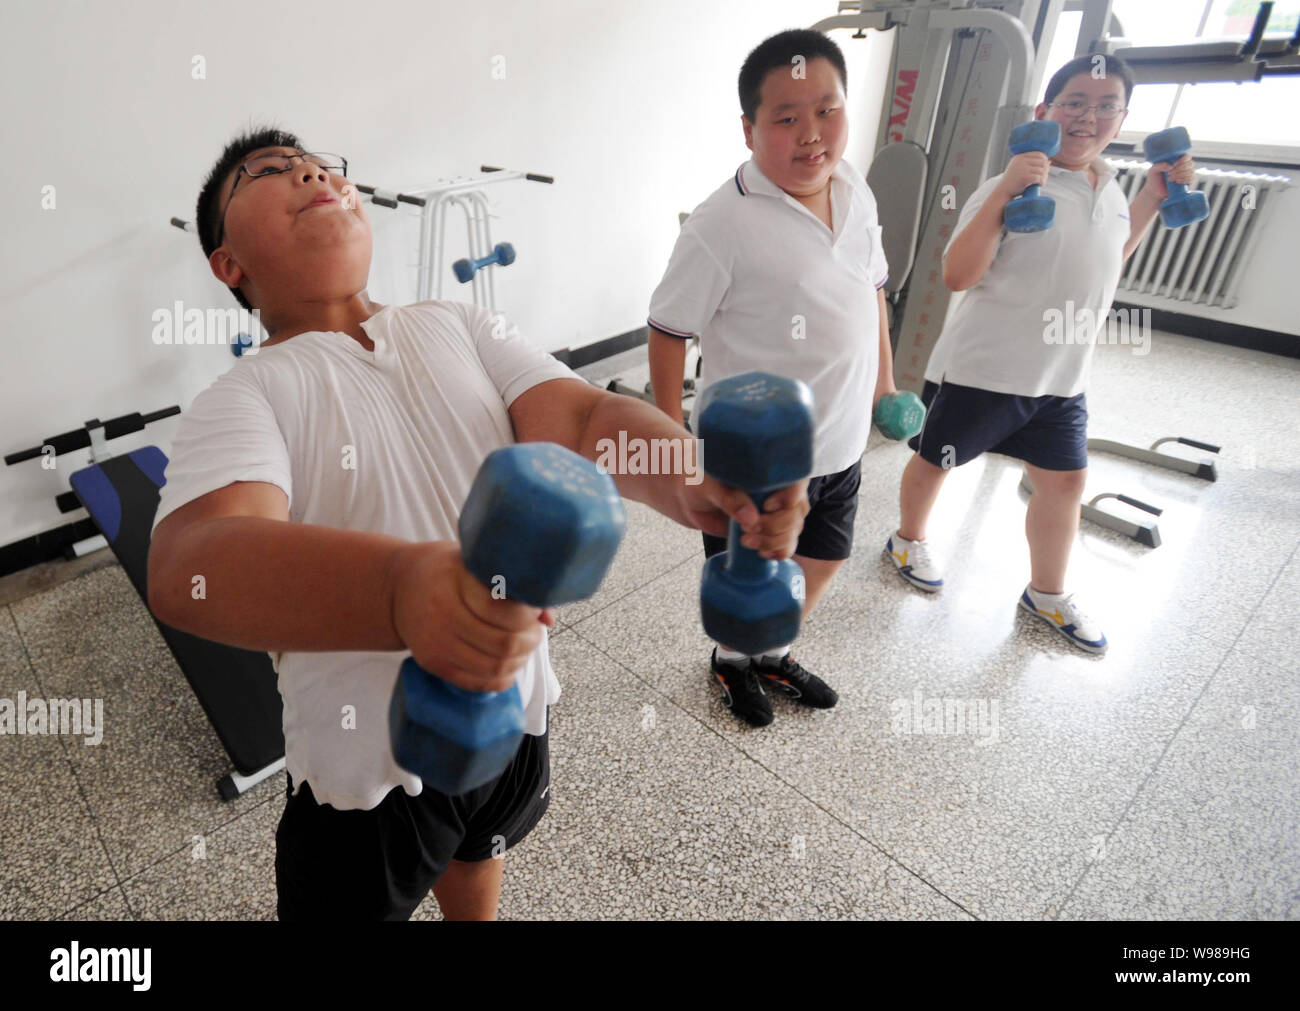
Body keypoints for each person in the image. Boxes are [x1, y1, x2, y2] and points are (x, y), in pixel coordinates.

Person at [146, 128, 810, 920]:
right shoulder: (248, 393)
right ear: (230, 264)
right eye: (270, 172)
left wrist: (691, 475)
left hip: (512, 708)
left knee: (479, 853)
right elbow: (194, 562)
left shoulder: (455, 322)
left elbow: (582, 416)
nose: (313, 172)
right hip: (370, 773)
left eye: (322, 164)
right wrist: (403, 592)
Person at [887, 55, 1196, 654]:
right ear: (1044, 113)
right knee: (937, 459)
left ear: (1123, 118)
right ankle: (906, 538)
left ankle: (1046, 594)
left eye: (1107, 105)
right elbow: (955, 275)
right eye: (1075, 101)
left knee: (1066, 482)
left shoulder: (1108, 184)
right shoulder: (1014, 185)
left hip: (1063, 377)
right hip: (987, 368)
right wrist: (1004, 191)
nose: (1090, 116)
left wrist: (1153, 201)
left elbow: (1106, 257)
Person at [647, 29, 896, 727]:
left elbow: (873, 287)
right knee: (747, 577)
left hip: (842, 442)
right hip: (753, 458)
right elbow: (668, 329)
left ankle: (772, 648)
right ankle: (732, 660)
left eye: (827, 109)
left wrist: (887, 386)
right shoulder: (719, 222)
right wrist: (673, 446)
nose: (811, 134)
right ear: (750, 129)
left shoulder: (855, 187)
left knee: (824, 557)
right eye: (786, 118)